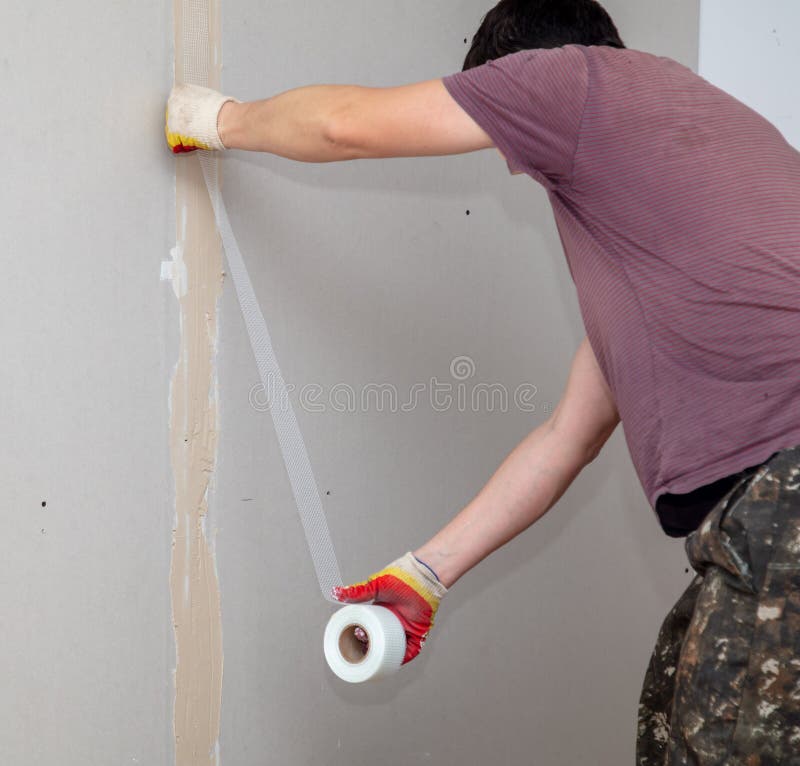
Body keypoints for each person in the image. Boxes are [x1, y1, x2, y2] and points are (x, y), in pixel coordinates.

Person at [164, 0, 800, 762]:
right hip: (748, 520)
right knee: (672, 724)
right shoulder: (684, 184)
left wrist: (215, 119)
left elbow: (345, 124)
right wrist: (422, 577)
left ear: (517, 73)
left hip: (779, 503)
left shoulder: (573, 80)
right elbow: (568, 437)